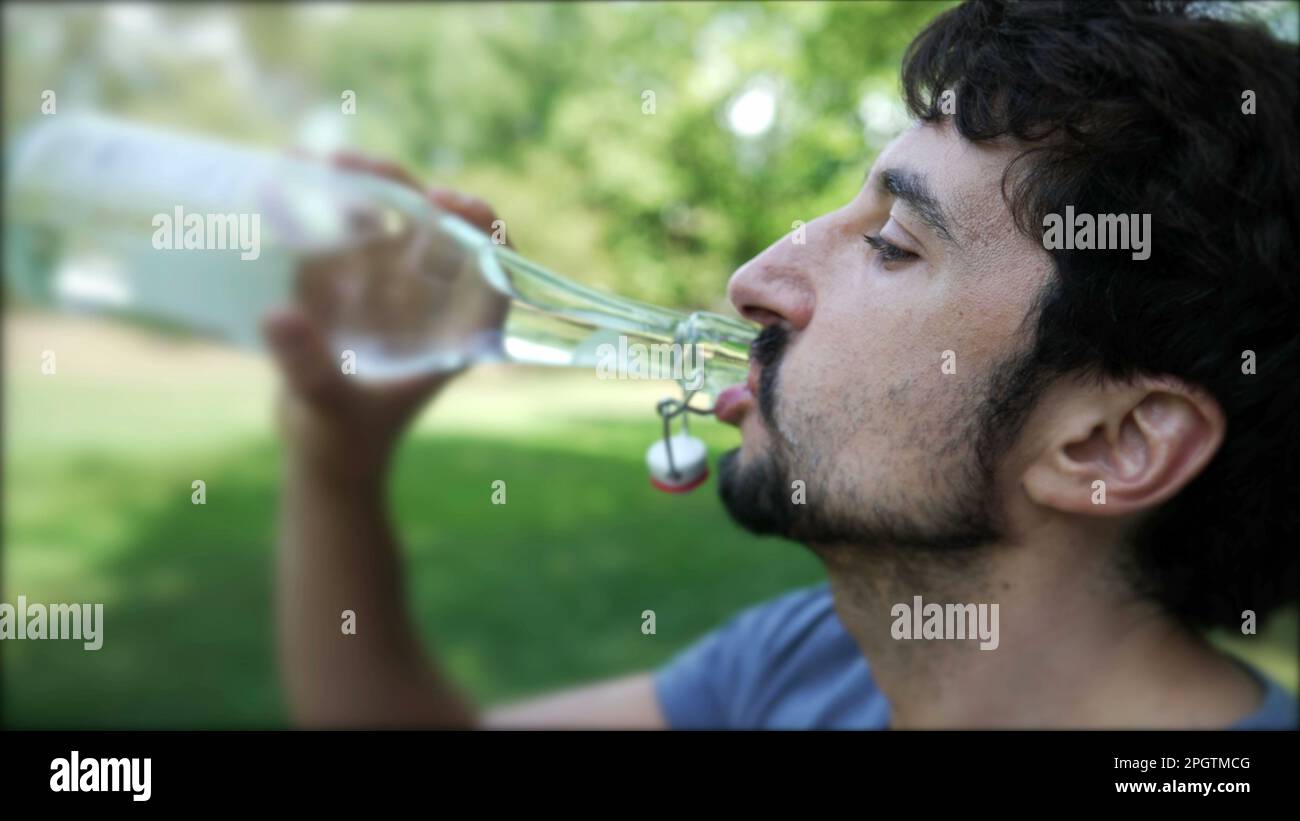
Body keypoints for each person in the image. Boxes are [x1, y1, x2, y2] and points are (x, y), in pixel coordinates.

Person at [263, 0, 1298, 729]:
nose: (754, 280)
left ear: (1109, 441)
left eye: (893, 245)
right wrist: (337, 466)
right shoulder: (812, 660)